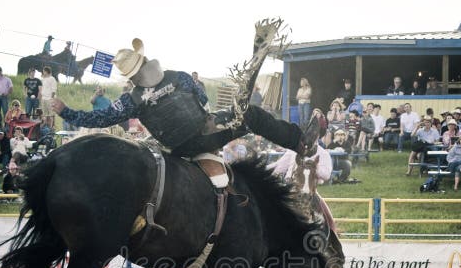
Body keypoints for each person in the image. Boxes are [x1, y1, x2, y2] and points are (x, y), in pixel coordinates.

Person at [53, 29, 318, 190]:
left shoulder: (131, 99)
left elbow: (99, 118)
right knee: (252, 115)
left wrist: (66, 111)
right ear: (145, 60)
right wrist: (210, 118)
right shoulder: (177, 76)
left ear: (131, 76)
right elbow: (202, 99)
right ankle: (300, 141)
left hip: (177, 148)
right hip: (206, 133)